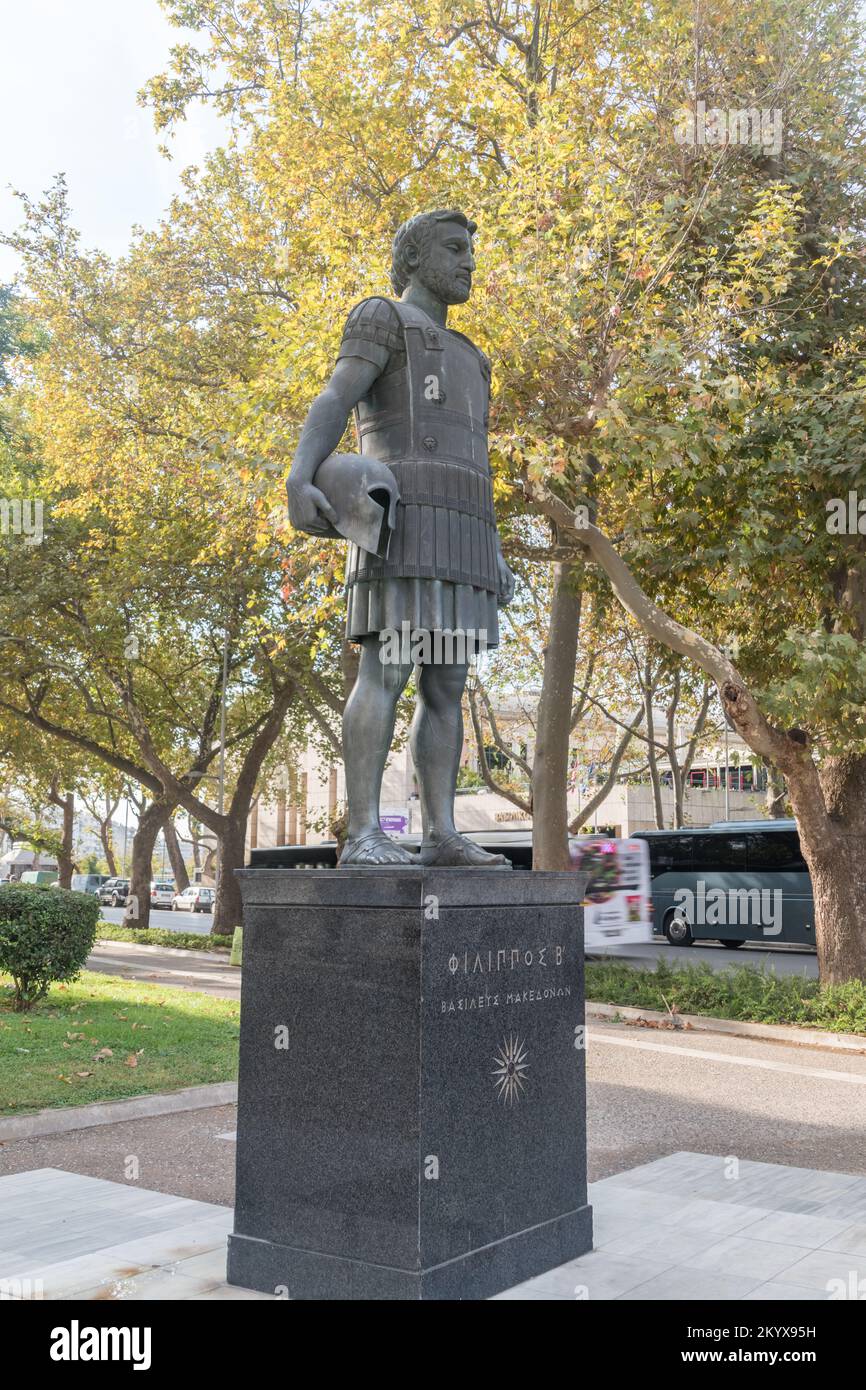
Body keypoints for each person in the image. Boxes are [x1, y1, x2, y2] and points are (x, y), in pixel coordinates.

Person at [288, 210, 515, 867]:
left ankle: (441, 834)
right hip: (399, 522)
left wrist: (494, 550)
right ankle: (363, 832)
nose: (469, 261)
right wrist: (300, 476)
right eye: (454, 248)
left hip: (466, 531)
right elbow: (335, 396)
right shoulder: (381, 318)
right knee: (386, 669)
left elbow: (479, 460)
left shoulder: (474, 359)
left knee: (447, 687)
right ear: (414, 258)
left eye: (472, 249)